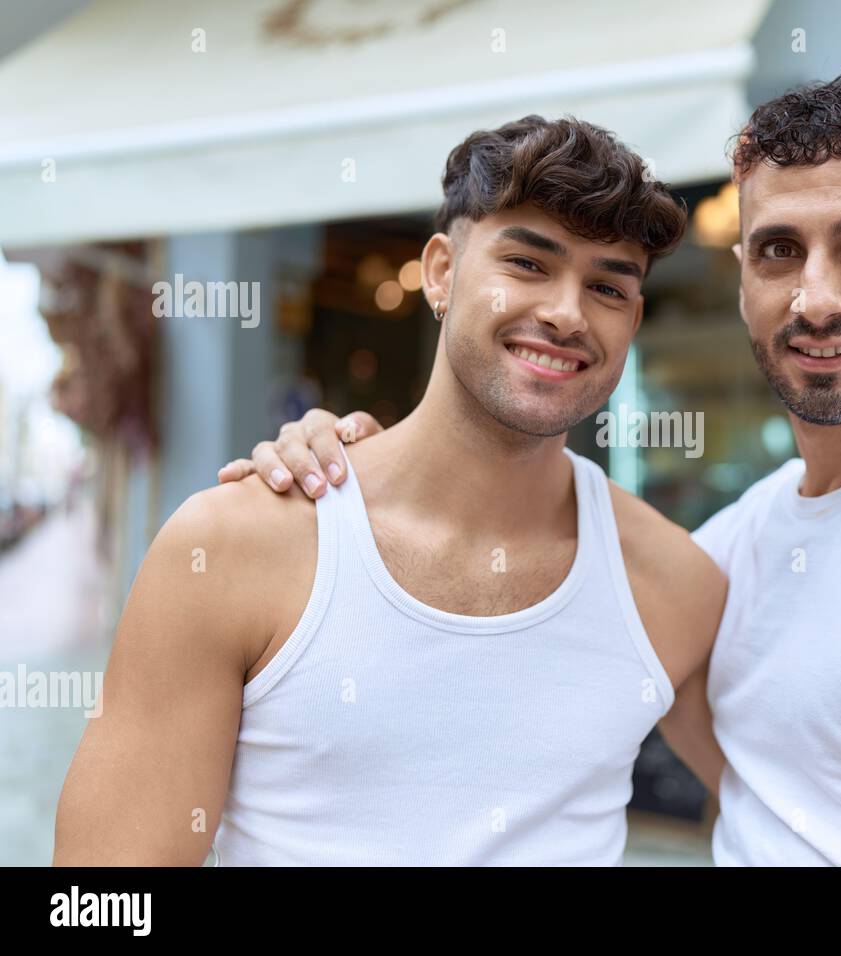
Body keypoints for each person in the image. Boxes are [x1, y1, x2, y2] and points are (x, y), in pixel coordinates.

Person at [224, 71, 841, 866]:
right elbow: (757, 808)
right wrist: (347, 469)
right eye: (781, 251)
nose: (816, 296)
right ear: (744, 275)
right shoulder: (728, 550)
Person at [53, 116, 729, 865]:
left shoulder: (674, 585)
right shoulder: (235, 545)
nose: (568, 313)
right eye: (529, 264)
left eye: (606, 285)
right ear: (441, 271)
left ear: (631, 319)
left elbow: (806, 806)